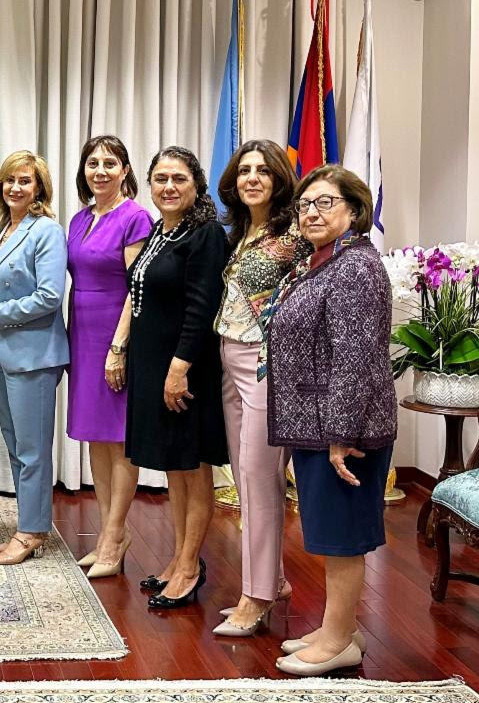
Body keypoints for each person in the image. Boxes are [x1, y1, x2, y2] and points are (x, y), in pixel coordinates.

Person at [264, 165, 395, 676]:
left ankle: (339, 641)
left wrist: (340, 435)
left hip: (343, 431)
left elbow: (355, 358)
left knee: (341, 535)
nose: (311, 213)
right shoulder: (325, 261)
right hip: (317, 424)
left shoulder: (355, 267)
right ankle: (340, 627)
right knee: (328, 531)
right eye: (304, 205)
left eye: (324, 203)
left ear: (354, 210)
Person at [211, 139, 310, 636]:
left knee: (259, 476)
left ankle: (256, 598)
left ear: (278, 179)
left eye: (262, 171)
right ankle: (273, 578)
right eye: (244, 170)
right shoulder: (238, 231)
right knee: (244, 477)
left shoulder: (295, 231)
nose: (252, 178)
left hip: (267, 365)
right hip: (229, 356)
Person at [125, 146, 229, 608]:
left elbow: (201, 306)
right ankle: (177, 557)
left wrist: (179, 369)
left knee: (193, 467)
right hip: (154, 364)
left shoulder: (205, 235)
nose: (168, 187)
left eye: (179, 179)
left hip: (184, 369)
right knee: (173, 468)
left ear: (196, 186)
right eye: (160, 178)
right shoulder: (160, 232)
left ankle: (190, 566)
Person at [0, 151, 69, 565]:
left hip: (34, 355)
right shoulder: (2, 231)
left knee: (32, 448)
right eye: (10, 179)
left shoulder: (46, 231)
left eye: (25, 180)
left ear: (39, 188)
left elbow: (50, 297)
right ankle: (28, 523)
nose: (16, 187)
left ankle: (31, 530)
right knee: (15, 444)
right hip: (2, 352)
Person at [65, 136, 153, 578]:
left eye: (109, 163)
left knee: (118, 437)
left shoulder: (135, 217)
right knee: (95, 437)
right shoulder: (79, 219)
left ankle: (116, 534)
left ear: (124, 170)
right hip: (81, 332)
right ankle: (106, 532)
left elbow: (137, 289)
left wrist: (118, 347)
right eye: (92, 163)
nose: (100, 171)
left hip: (114, 335)